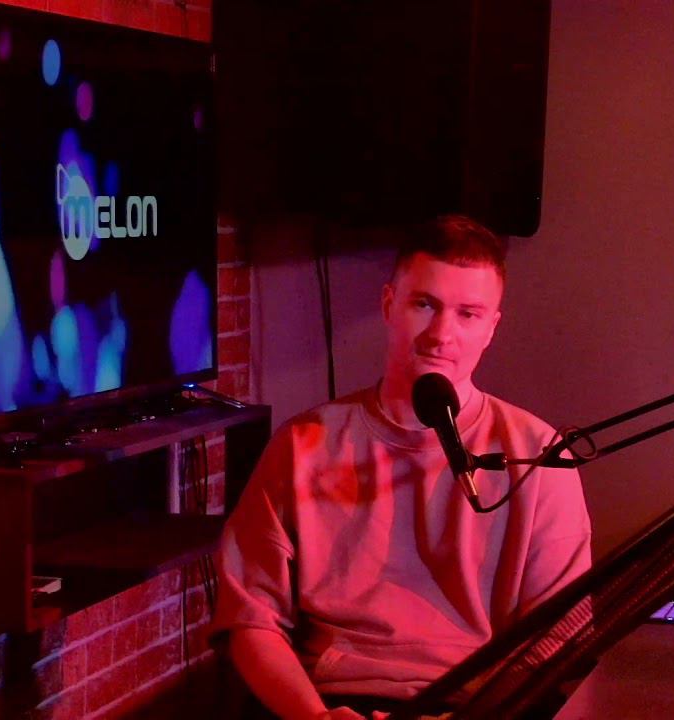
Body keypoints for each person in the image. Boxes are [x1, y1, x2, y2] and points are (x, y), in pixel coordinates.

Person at [211, 215, 593, 719]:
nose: (441, 335)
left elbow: (559, 636)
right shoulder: (303, 445)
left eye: (468, 314)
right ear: (389, 304)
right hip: (330, 701)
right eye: (424, 305)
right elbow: (250, 617)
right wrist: (315, 718)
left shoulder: (537, 452)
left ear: (491, 328)